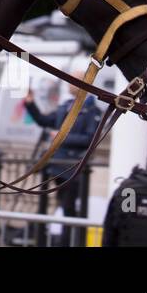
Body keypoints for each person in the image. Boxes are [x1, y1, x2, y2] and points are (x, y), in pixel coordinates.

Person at [24, 82, 103, 245]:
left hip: (73, 167)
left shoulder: (91, 110)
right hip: (55, 165)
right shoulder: (66, 106)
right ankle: (50, 240)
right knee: (51, 205)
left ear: (84, 82)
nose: (68, 83)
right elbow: (44, 120)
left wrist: (61, 137)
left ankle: (68, 242)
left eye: (73, 79)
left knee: (69, 208)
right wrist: (30, 104)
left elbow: (90, 139)